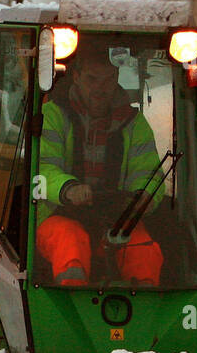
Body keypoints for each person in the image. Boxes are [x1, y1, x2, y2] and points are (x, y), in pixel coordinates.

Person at [35, 46, 165, 286]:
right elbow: (43, 169)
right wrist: (69, 189)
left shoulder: (134, 123)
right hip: (57, 213)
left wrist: (143, 196)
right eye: (92, 79)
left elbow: (148, 173)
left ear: (117, 79)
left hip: (117, 218)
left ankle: (146, 313)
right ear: (76, 77)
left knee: (143, 250)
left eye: (108, 80)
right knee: (70, 244)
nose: (100, 89)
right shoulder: (51, 115)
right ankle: (71, 311)